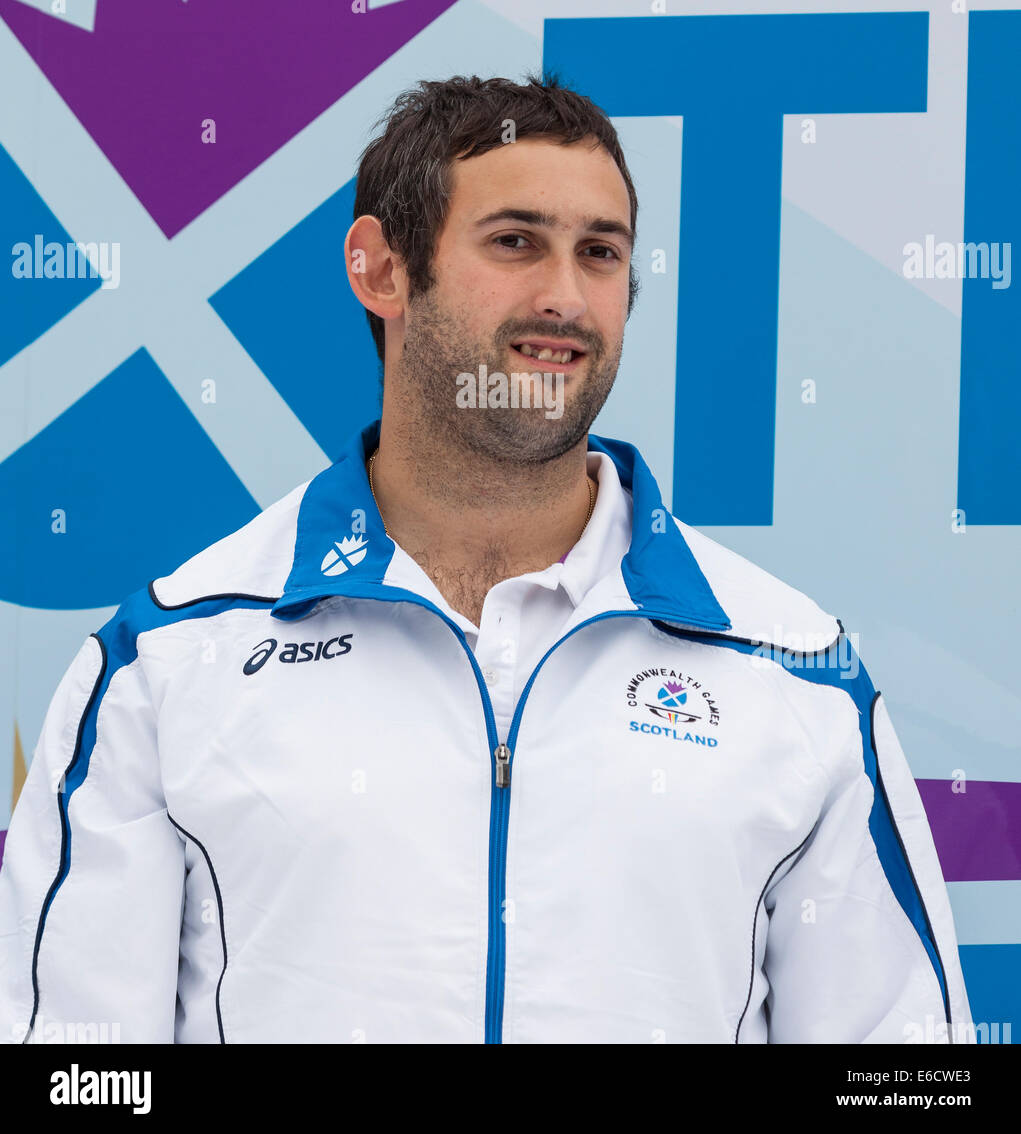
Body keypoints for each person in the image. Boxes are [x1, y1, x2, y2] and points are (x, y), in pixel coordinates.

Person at [0, 73, 972, 1045]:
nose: (563, 298)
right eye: (515, 242)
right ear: (380, 269)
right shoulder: (167, 660)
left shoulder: (794, 672)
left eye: (600, 253)